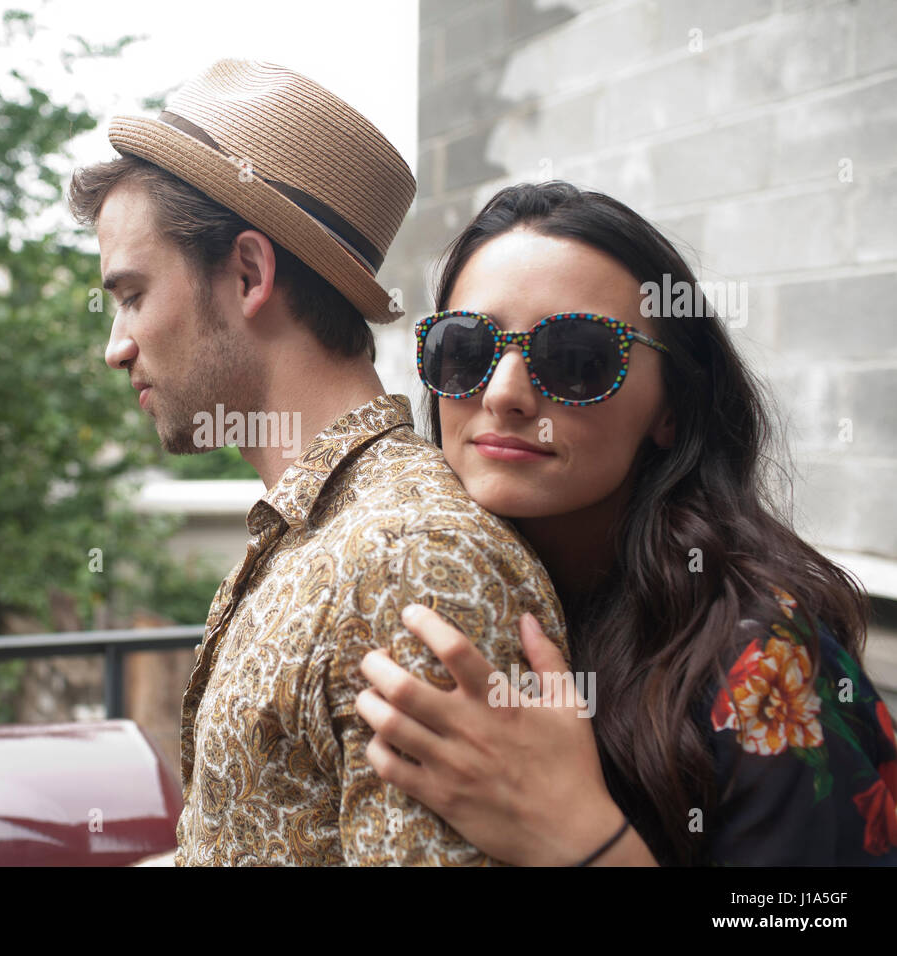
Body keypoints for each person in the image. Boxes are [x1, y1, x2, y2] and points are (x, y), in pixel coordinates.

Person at [68, 60, 567, 865]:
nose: (115, 347)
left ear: (248, 274)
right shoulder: (321, 533)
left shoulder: (409, 561)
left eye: (131, 294)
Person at [354, 181, 897, 865]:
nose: (503, 394)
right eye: (465, 349)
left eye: (577, 359)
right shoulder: (424, 590)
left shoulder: (764, 661)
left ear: (672, 410)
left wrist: (582, 836)